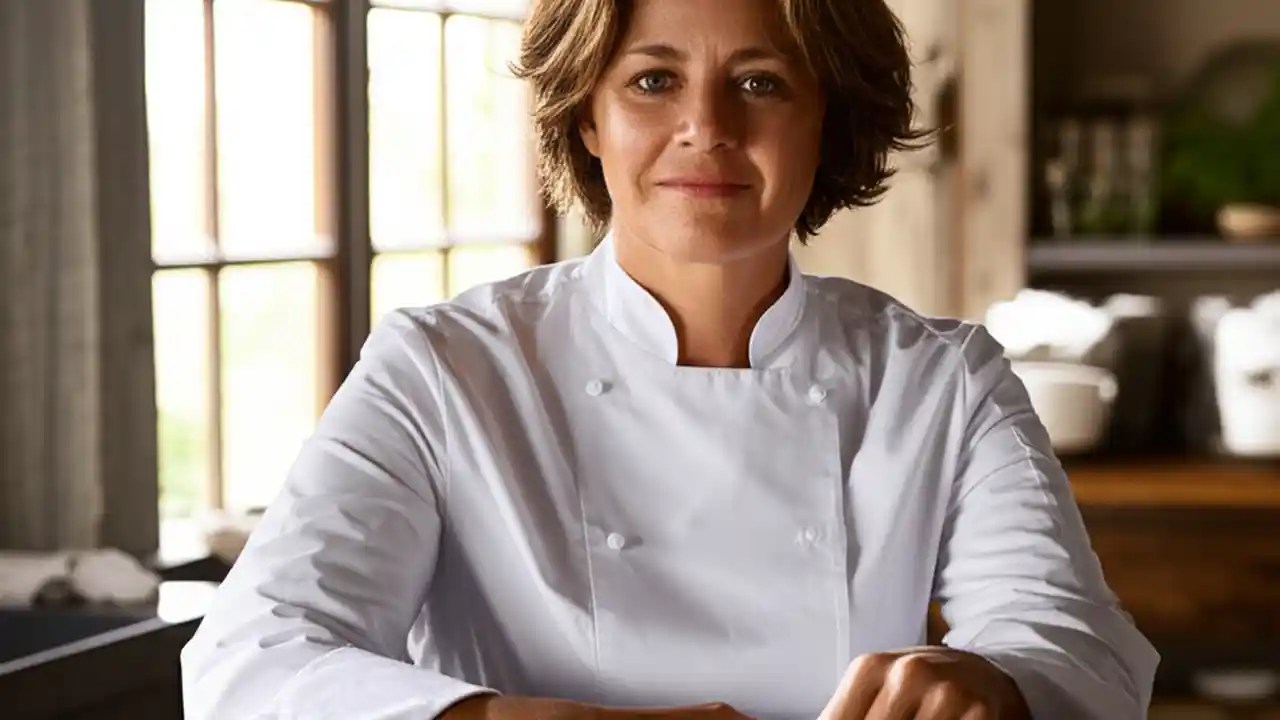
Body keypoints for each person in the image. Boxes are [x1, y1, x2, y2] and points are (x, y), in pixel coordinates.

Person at [180, 0, 1159, 717]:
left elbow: (1079, 650)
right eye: (652, 80)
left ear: (828, 121)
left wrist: (994, 685)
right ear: (586, 117)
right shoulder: (440, 369)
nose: (707, 127)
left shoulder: (939, 380)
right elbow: (251, 664)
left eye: (759, 82)